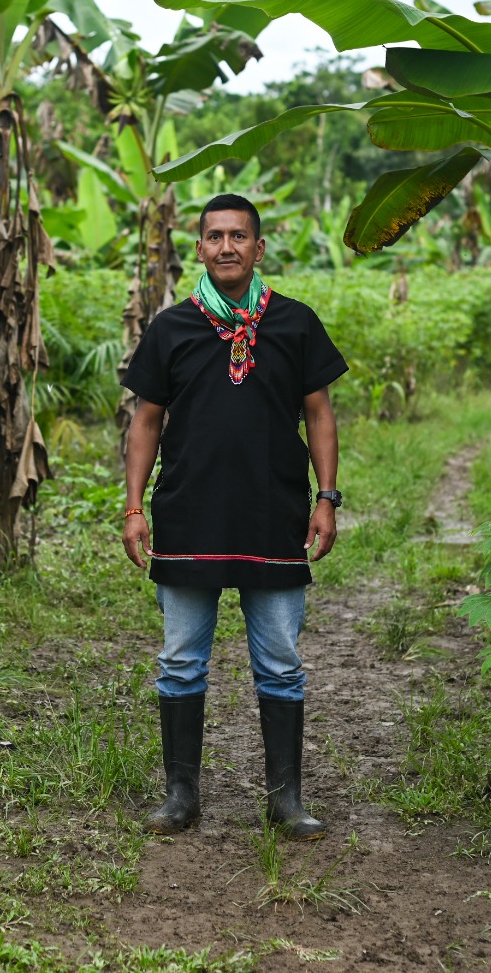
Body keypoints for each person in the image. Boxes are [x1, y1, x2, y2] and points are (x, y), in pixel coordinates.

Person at [120, 193, 347, 840]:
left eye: (238, 236)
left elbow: (319, 414)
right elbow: (146, 422)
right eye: (214, 236)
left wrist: (327, 497)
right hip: (188, 515)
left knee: (279, 660)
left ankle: (286, 799)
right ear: (199, 247)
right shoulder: (171, 329)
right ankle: (180, 796)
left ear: (258, 248)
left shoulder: (295, 324)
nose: (226, 246)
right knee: (180, 660)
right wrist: (134, 508)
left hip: (274, 515)